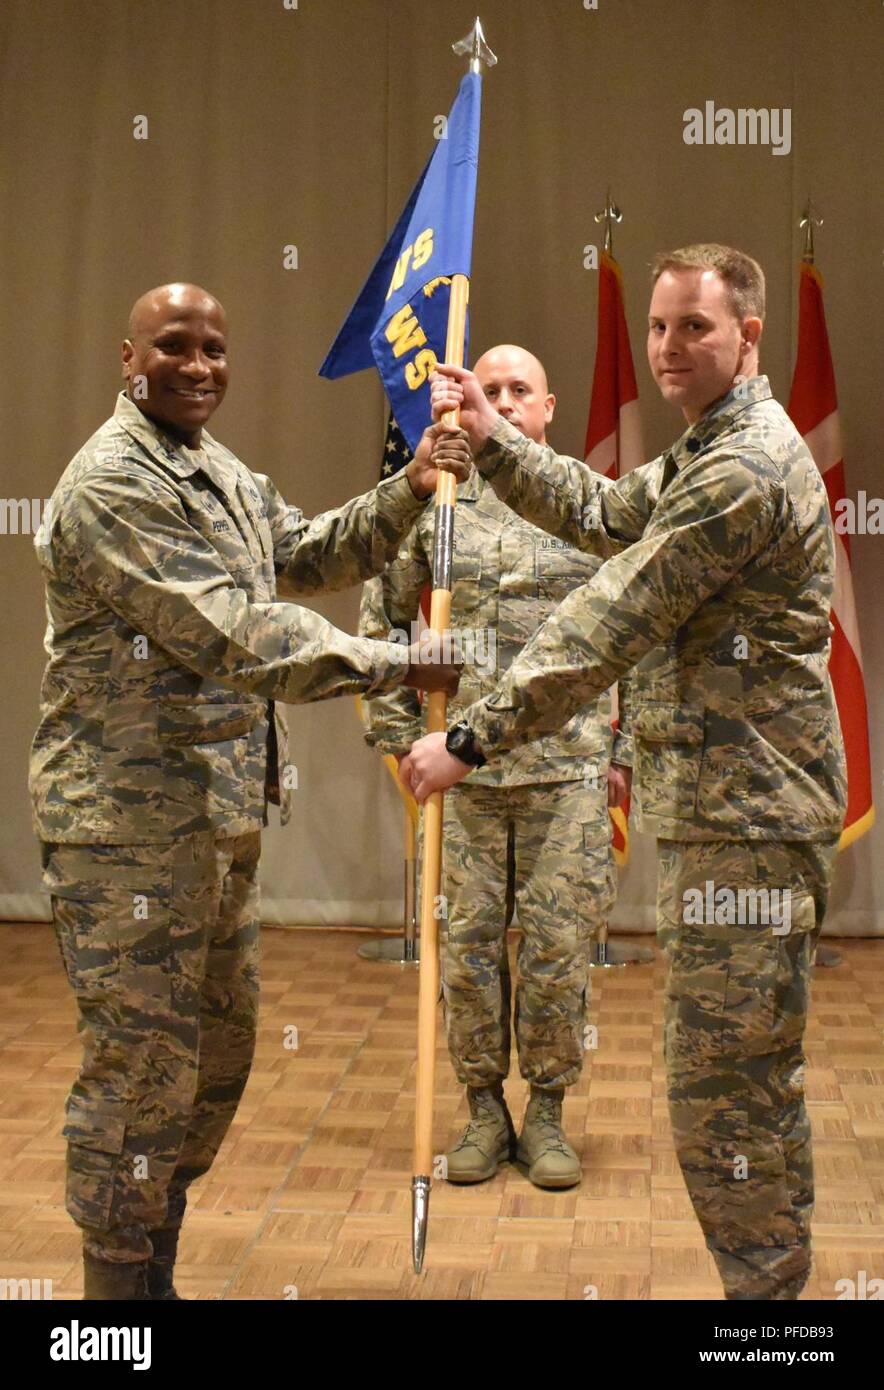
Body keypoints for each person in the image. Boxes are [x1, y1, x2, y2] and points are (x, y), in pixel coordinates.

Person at [401, 245, 847, 1301]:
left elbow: (610, 617)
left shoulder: (739, 470)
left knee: (725, 1091)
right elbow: (604, 514)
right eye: (655, 327)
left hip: (748, 818)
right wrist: (494, 432)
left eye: (692, 326)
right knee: (732, 1084)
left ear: (748, 335)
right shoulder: (706, 448)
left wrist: (468, 738)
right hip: (724, 813)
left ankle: (768, 1315)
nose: (665, 348)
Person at [31, 282, 467, 1300]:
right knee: (138, 1075)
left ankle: (154, 1275)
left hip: (212, 823)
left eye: (214, 348)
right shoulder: (112, 483)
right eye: (173, 346)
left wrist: (407, 490)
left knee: (211, 1067)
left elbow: (301, 553)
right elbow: (233, 632)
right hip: (124, 834)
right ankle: (112, 1304)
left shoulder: (210, 468)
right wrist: (394, 661)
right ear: (125, 355)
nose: (196, 365)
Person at [360, 346, 631, 1188]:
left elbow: (638, 631)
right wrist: (399, 731)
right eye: (494, 388)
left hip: (569, 773)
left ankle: (547, 1114)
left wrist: (627, 753)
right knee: (468, 951)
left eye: (522, 392)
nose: (506, 404)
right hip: (461, 778)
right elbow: (379, 613)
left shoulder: (585, 512)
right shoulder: (438, 502)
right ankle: (483, 1110)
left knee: (556, 952)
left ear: (549, 408)